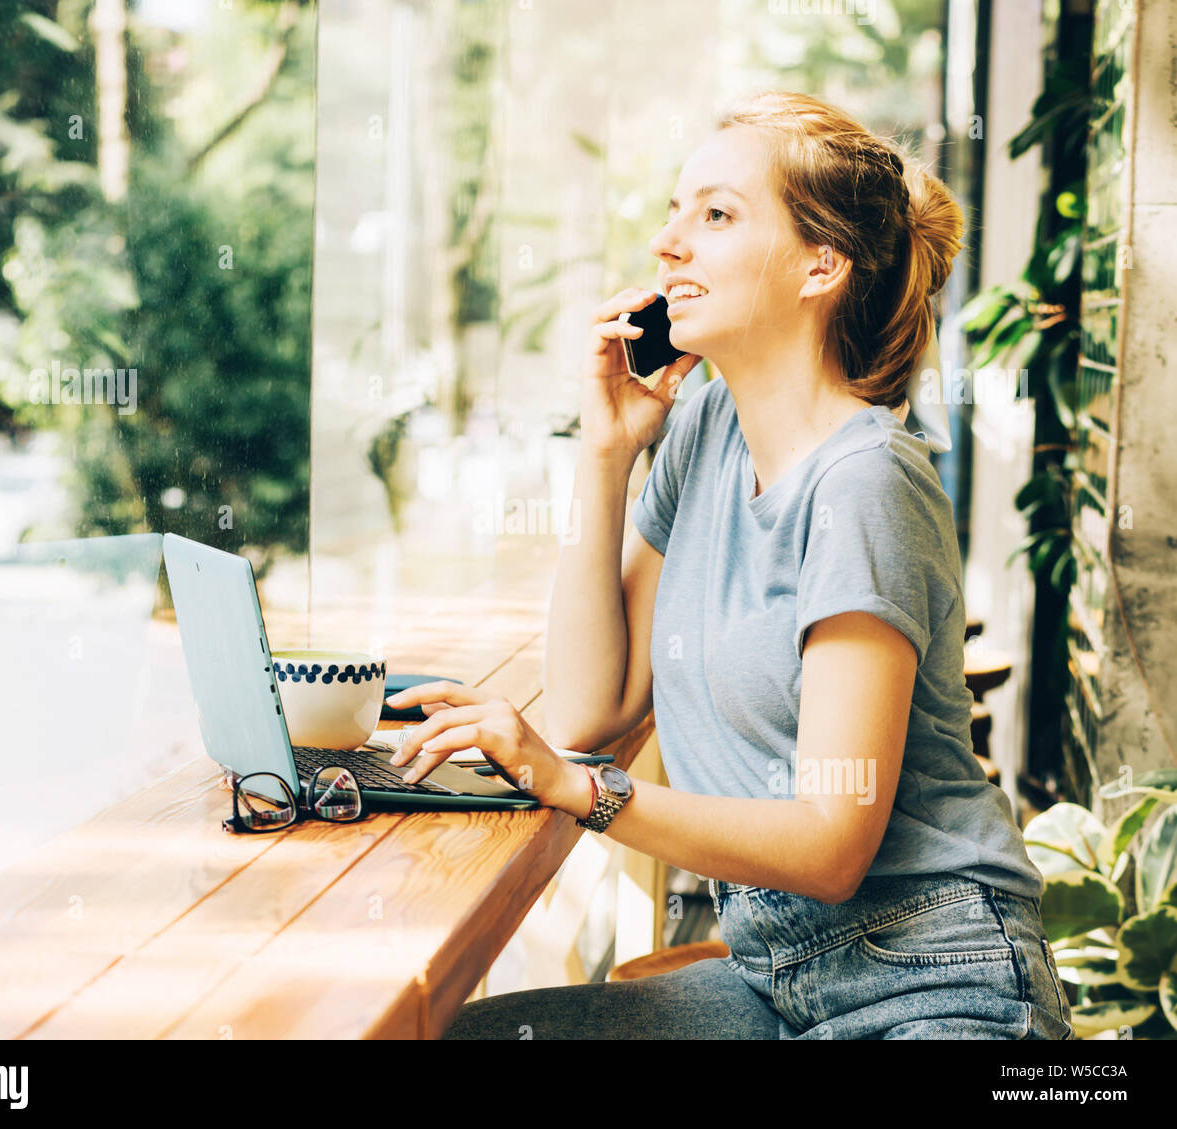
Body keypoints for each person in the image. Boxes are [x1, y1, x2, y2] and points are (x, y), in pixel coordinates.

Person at [384, 89, 1074, 1040]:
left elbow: (832, 845)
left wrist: (575, 785)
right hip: (775, 980)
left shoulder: (866, 480)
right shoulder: (707, 427)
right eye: (675, 211)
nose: (667, 243)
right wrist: (606, 453)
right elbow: (591, 707)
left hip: (934, 985)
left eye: (715, 214)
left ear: (821, 264)